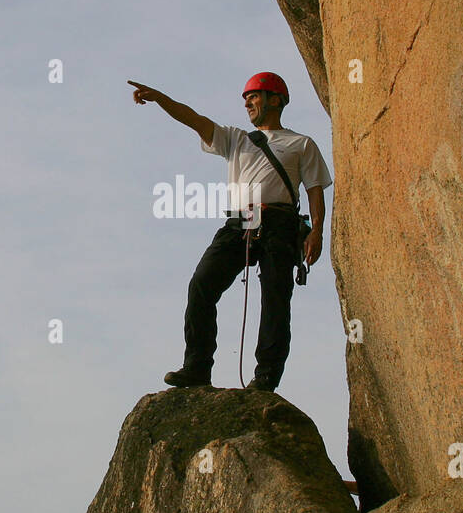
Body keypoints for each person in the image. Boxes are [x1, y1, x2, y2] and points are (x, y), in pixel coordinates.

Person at [130, 72, 332, 392]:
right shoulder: (236, 138)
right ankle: (197, 367)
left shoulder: (301, 144)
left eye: (254, 95)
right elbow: (194, 119)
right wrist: (161, 99)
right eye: (246, 98)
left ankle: (266, 376)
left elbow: (315, 190)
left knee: (275, 298)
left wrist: (317, 231)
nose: (248, 102)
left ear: (275, 99)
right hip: (239, 223)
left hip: (280, 224)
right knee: (202, 284)